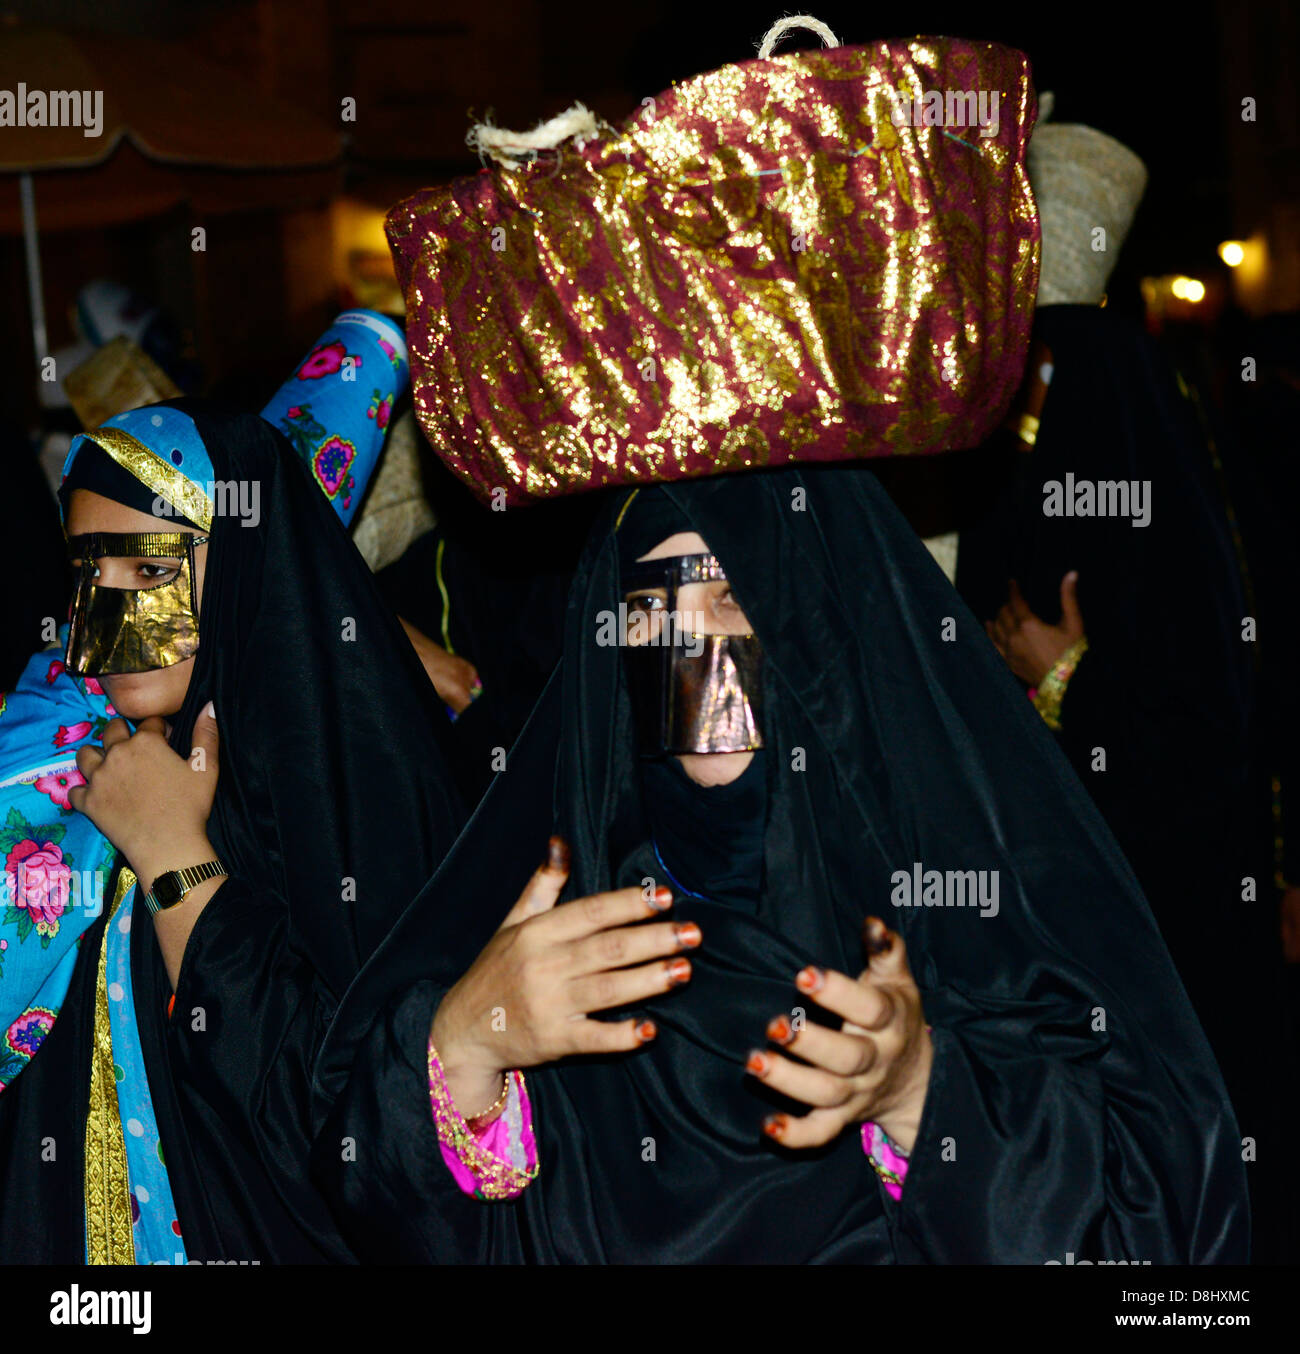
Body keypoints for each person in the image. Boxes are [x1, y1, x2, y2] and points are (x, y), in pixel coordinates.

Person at [311, 466, 1249, 1264]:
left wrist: (924, 1090)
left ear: (818, 618)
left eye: (726, 593)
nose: (691, 646)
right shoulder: (565, 924)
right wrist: (464, 1045)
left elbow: (1166, 1243)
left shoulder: (967, 906)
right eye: (647, 609)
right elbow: (396, 1216)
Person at [0, 395, 464, 1263]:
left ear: (245, 563)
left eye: (148, 573)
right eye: (87, 576)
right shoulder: (88, 763)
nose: (109, 620)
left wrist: (176, 863)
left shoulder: (350, 782)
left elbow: (358, 1122)